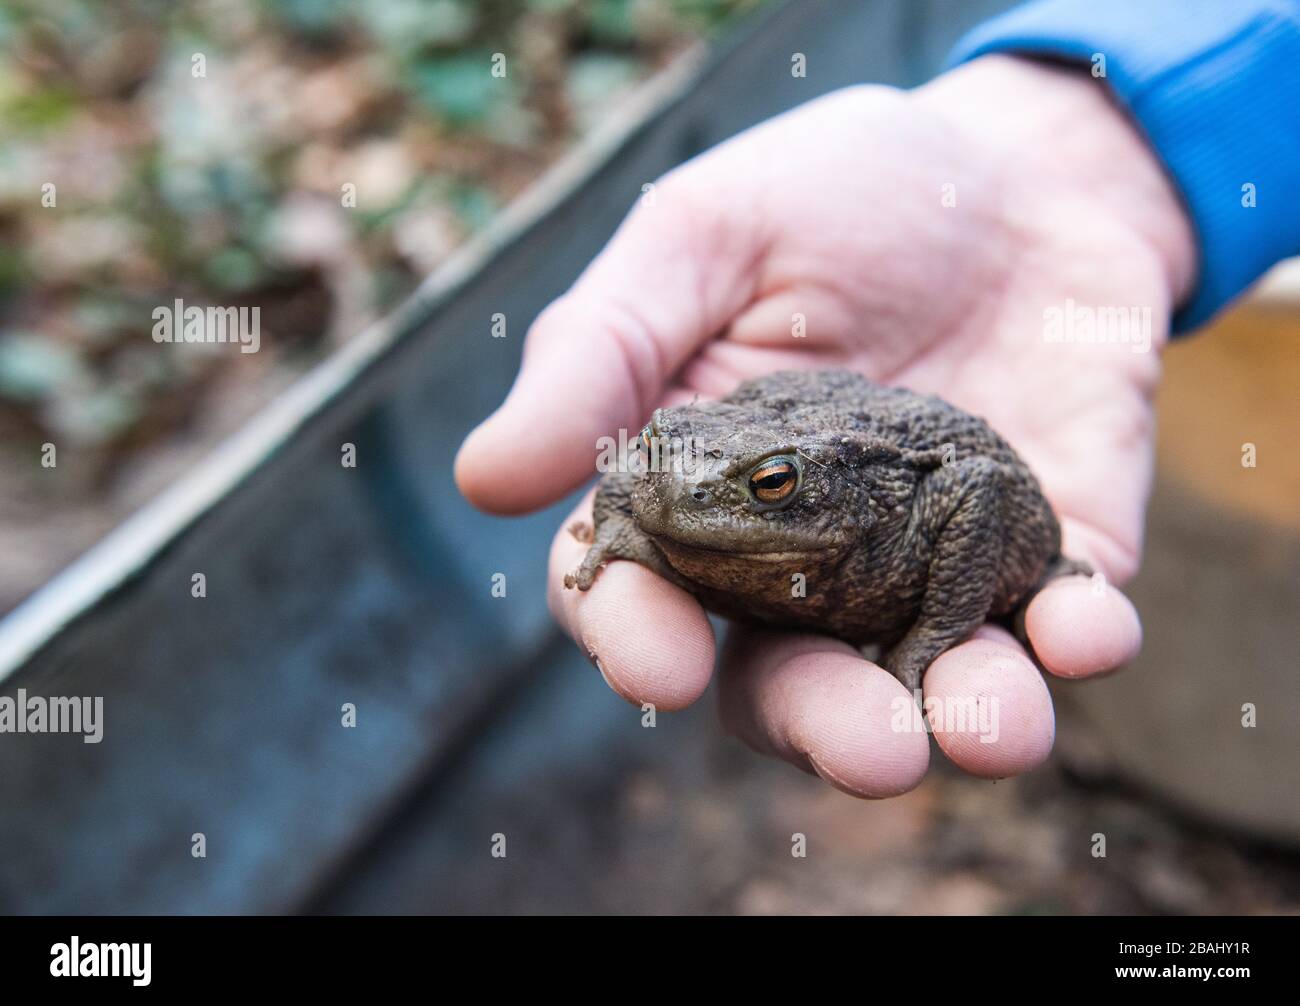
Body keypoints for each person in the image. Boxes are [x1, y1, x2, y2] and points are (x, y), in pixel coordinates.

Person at [455, 0, 1300, 798]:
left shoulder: (889, 501)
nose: (670, 487)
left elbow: (972, 487)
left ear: (804, 486)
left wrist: (936, 629)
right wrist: (620, 524)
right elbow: (652, 467)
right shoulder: (680, 465)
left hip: (901, 463)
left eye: (771, 486)